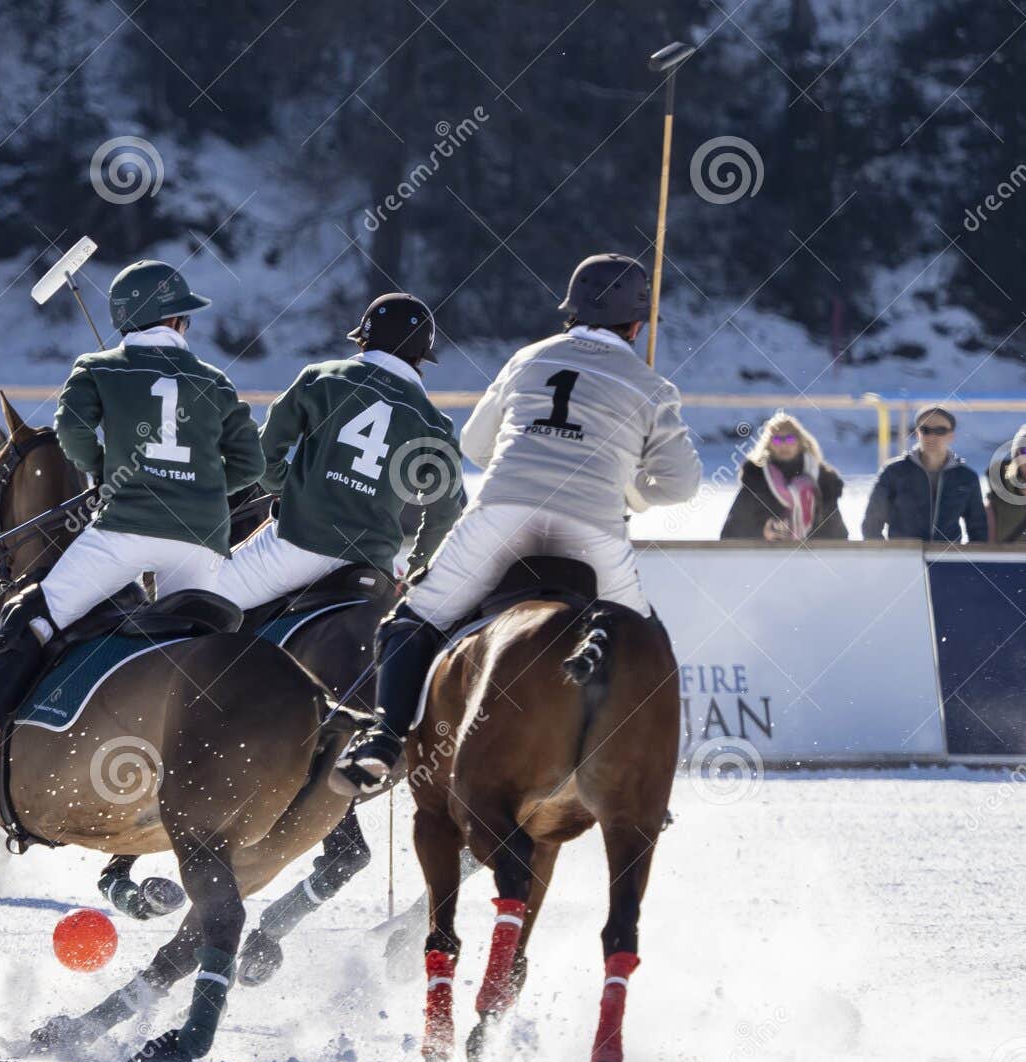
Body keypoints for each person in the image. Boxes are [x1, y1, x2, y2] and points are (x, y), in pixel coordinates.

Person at [335, 253, 702, 791]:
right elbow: (682, 484)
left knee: (414, 619)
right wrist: (630, 489)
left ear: (571, 312)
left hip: (502, 518)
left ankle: (384, 741)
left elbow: (476, 445)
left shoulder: (528, 359)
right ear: (637, 324)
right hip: (592, 533)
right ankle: (647, 777)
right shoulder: (652, 386)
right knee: (646, 638)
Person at [0, 259, 262, 774]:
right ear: (172, 322)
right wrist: (203, 491)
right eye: (184, 318)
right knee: (199, 650)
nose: (187, 326)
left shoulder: (99, 367)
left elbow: (72, 433)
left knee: (30, 615)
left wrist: (104, 473)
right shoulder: (214, 382)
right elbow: (251, 464)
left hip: (125, 529)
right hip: (200, 538)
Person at [217, 293, 462, 608]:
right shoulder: (436, 424)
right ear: (421, 356)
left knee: (203, 600)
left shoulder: (323, 377)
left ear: (363, 340)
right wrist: (416, 566)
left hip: (295, 548)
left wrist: (287, 489)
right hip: (373, 567)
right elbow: (446, 512)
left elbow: (263, 455)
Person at [861, 408, 987, 543]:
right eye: (925, 430)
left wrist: (966, 561)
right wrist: (887, 556)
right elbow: (871, 524)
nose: (932, 437)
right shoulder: (893, 472)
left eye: (940, 431)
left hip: (948, 560)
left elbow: (978, 530)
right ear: (917, 433)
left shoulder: (966, 477)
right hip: (903, 558)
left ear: (951, 436)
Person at [719, 411, 848, 541]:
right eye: (777, 439)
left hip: (810, 559)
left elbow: (839, 535)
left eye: (790, 438)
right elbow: (730, 533)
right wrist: (762, 533)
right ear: (768, 444)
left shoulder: (822, 482)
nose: (784, 444)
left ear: (800, 442)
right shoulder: (756, 480)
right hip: (765, 558)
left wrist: (807, 536)